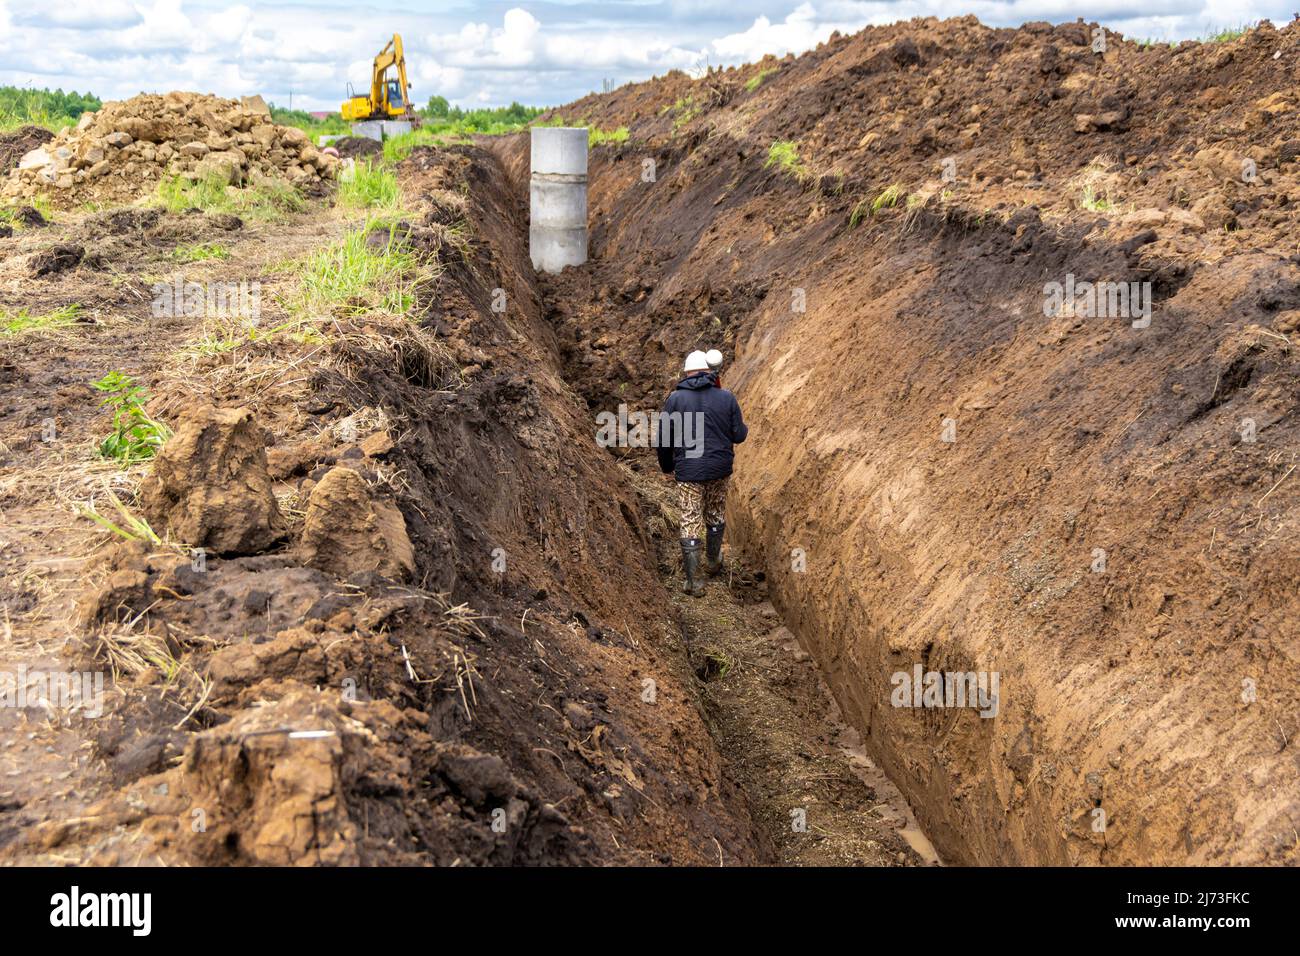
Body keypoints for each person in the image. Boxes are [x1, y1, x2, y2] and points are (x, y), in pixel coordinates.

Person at [656, 350, 748, 596]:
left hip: (689, 472)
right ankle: (714, 562)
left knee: (690, 518)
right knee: (715, 513)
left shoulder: (675, 400)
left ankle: (694, 582)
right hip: (720, 468)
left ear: (686, 373)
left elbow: (664, 439)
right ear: (710, 371)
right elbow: (739, 435)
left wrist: (667, 466)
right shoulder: (727, 397)